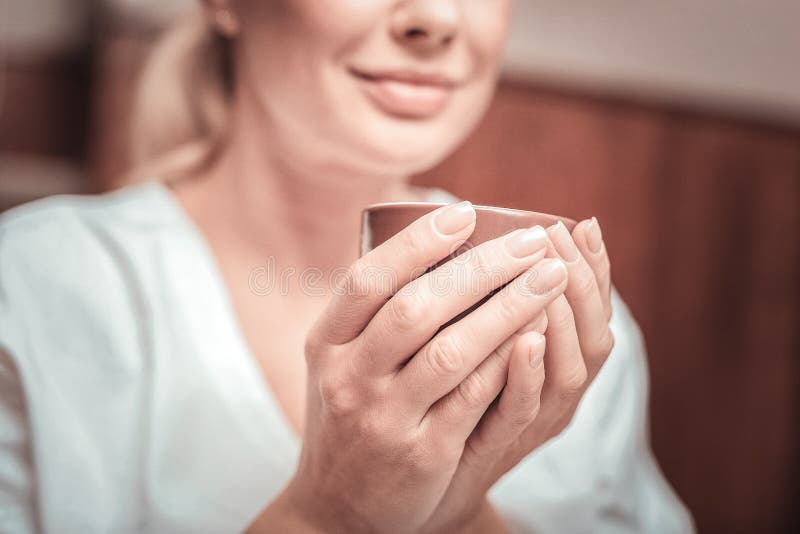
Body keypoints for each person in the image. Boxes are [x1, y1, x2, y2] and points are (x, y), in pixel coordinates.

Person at [0, 1, 694, 532]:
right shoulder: (30, 294)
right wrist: (331, 514)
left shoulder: (578, 330)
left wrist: (464, 514)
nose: (437, 19)